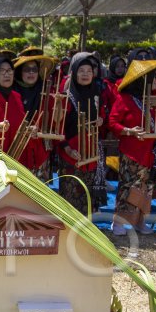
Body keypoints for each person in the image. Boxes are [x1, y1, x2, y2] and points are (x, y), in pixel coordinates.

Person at [55, 53, 115, 214]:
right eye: (81, 70)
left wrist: (101, 119)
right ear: (74, 73)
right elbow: (58, 127)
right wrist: (67, 149)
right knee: (71, 193)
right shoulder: (66, 98)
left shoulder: (96, 95)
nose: (86, 74)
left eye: (89, 70)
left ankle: (86, 231)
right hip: (71, 154)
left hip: (91, 153)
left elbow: (102, 114)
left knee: (87, 194)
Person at [109, 70, 156, 234]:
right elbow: (113, 122)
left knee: (146, 187)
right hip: (131, 152)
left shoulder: (151, 100)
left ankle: (140, 221)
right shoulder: (124, 99)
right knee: (128, 186)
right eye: (152, 79)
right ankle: (119, 222)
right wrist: (129, 130)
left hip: (149, 152)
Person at [11, 55, 56, 176]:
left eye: (34, 69)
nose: (31, 73)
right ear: (20, 72)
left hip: (39, 146)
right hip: (16, 146)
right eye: (27, 69)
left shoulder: (45, 90)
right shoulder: (11, 92)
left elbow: (55, 120)